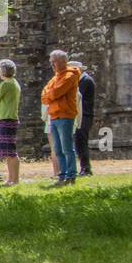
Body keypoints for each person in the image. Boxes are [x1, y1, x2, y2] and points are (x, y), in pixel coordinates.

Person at [40, 50, 81, 187]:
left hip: (65, 115)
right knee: (57, 148)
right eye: (51, 62)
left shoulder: (69, 76)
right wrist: (49, 95)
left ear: (63, 62)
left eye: (54, 62)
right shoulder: (55, 78)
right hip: (54, 115)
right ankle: (62, 174)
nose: (52, 65)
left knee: (67, 147)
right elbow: (44, 95)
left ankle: (71, 174)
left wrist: (50, 95)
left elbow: (55, 93)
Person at [70, 60, 95, 176]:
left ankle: (86, 168)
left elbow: (76, 97)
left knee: (81, 141)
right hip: (79, 114)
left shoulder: (86, 81)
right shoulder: (79, 80)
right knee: (79, 142)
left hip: (85, 115)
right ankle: (83, 167)